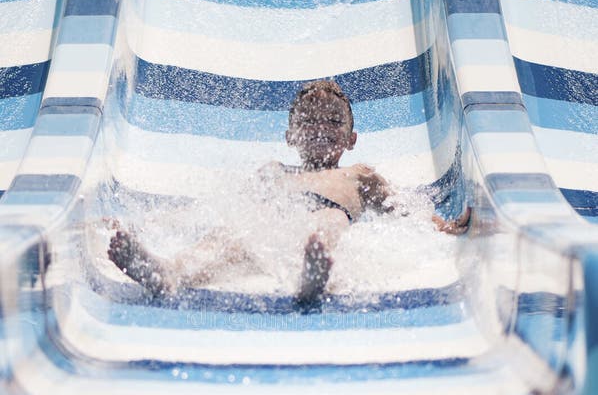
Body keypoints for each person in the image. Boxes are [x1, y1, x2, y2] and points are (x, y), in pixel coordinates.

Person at [108, 80, 470, 306]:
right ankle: (170, 272)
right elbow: (223, 206)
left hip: (323, 217)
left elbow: (403, 208)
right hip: (269, 224)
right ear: (289, 135)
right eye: (308, 120)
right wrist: (152, 221)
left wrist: (438, 225)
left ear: (351, 139)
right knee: (228, 237)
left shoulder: (358, 175)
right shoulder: (273, 171)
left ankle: (311, 277)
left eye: (332, 121)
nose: (319, 128)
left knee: (325, 224)